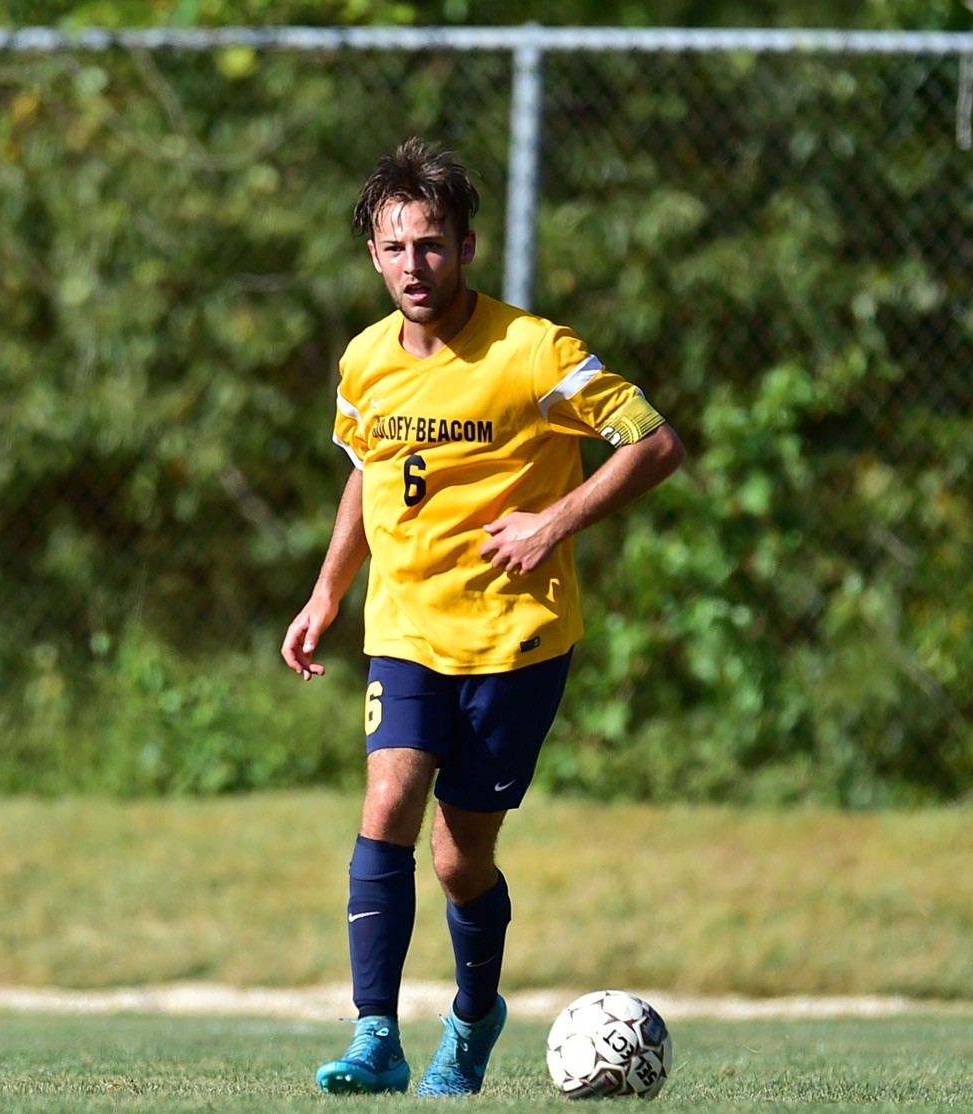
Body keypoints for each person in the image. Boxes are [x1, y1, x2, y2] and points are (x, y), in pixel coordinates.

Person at [281, 137, 686, 1097]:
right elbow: (365, 481)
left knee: (462, 861)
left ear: (465, 246)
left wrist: (558, 518)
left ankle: (471, 1021)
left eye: (430, 245)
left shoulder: (535, 352)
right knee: (386, 806)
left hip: (516, 641)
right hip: (407, 629)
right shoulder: (365, 361)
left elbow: (656, 443)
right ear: (373, 257)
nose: (412, 267)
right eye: (393, 249)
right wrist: (327, 591)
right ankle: (375, 1037)